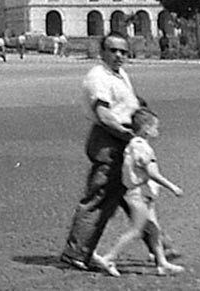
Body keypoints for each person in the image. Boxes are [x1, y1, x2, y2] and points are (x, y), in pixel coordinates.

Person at [60, 32, 176, 271]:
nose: (118, 55)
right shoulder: (98, 77)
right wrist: (130, 136)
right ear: (102, 52)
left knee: (133, 194)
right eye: (113, 50)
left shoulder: (120, 75)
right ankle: (76, 251)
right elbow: (104, 115)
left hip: (124, 141)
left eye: (123, 51)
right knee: (100, 197)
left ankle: (160, 247)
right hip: (109, 141)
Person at [92, 108, 184, 277]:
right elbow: (152, 173)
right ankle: (109, 257)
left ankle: (162, 263)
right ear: (146, 128)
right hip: (139, 194)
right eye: (155, 127)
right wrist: (172, 187)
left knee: (154, 229)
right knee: (137, 229)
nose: (157, 130)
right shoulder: (144, 149)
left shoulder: (132, 144)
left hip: (139, 192)